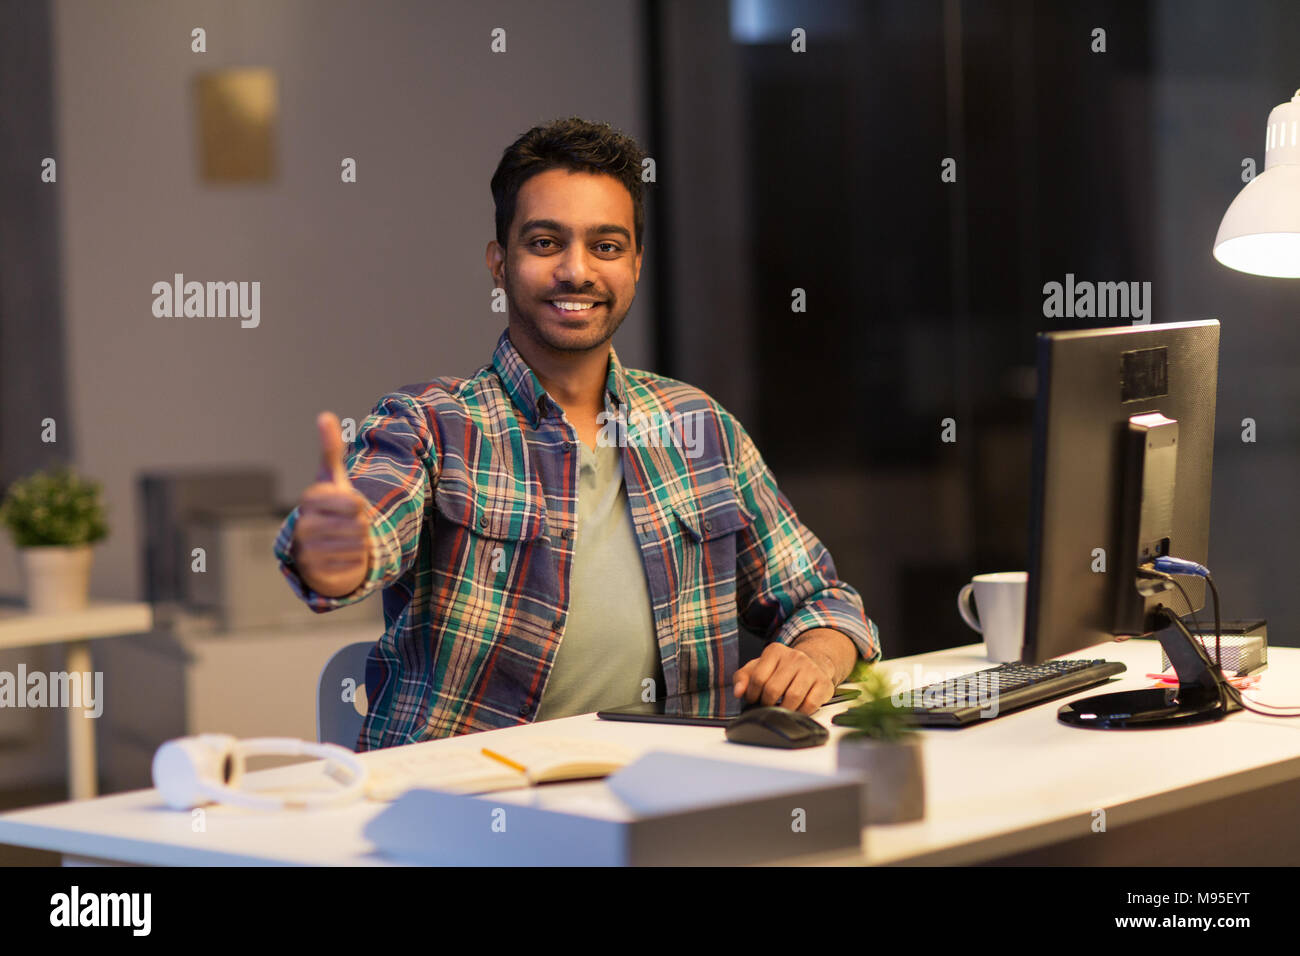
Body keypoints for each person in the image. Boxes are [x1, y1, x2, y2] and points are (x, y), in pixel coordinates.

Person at [274, 117, 880, 750]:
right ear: (499, 264)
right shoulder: (429, 423)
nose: (576, 271)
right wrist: (334, 552)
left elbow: (824, 599)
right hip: (466, 802)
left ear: (636, 265)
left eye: (606, 247)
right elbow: (361, 537)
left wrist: (815, 657)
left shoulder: (697, 425)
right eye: (543, 243)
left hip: (664, 787)